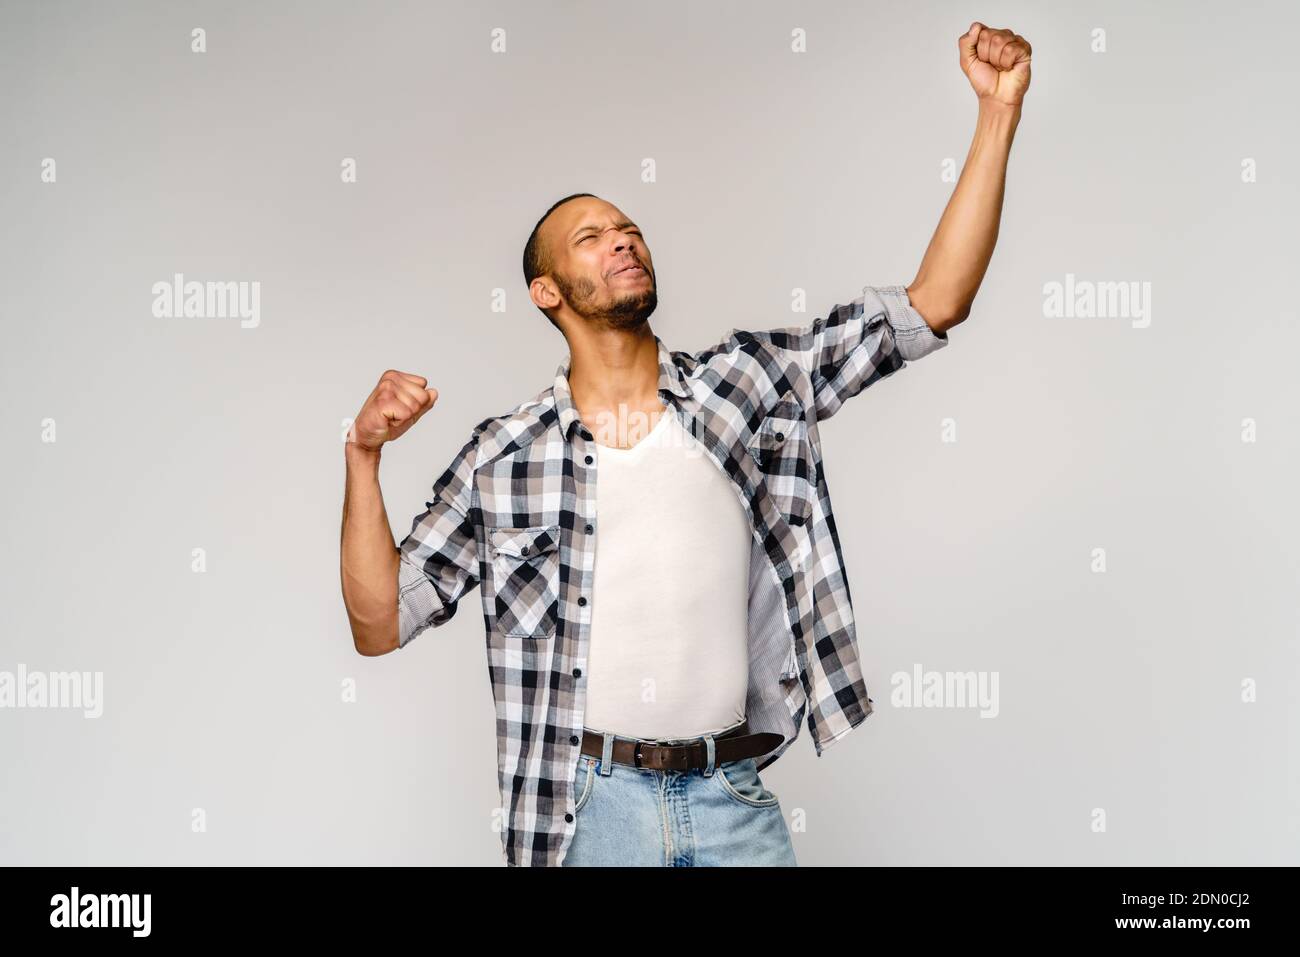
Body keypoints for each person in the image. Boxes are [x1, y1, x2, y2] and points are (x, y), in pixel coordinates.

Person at [339, 21, 1031, 866]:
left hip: (731, 801)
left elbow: (933, 304)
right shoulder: (504, 457)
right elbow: (379, 621)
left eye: (628, 228)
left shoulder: (747, 386)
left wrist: (998, 112)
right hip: (586, 815)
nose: (622, 239)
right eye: (591, 237)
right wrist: (363, 456)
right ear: (546, 291)